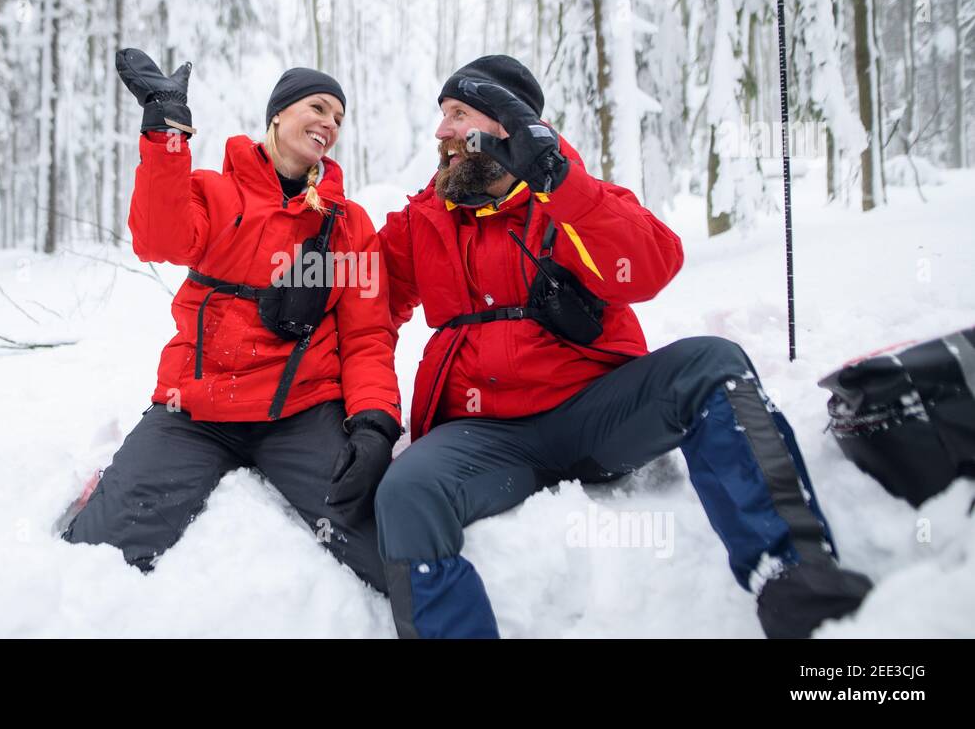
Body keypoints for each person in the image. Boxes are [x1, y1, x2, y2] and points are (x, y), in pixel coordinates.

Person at [374, 54, 873, 637]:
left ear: (503, 123)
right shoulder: (424, 221)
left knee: (712, 363)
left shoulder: (576, 198)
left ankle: (799, 586)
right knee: (406, 492)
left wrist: (562, 186)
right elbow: (363, 304)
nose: (442, 132)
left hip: (596, 415)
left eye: (458, 114)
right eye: (442, 116)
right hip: (484, 438)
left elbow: (651, 266)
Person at [62, 49, 402, 594]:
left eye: (339, 118)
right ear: (277, 114)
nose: (329, 124)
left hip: (302, 413)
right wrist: (167, 134)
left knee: (391, 547)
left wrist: (373, 424)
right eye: (317, 107)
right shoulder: (216, 192)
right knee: (97, 554)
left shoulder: (348, 226)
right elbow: (159, 239)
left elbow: (366, 338)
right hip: (196, 408)